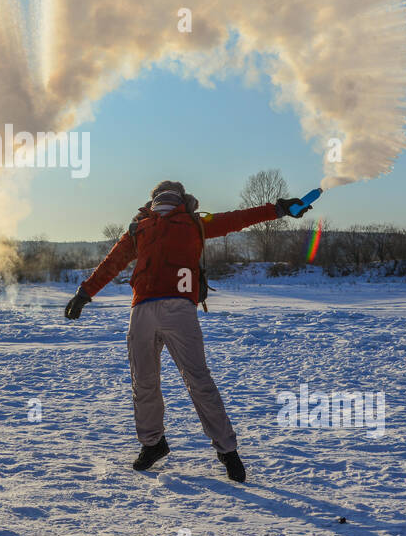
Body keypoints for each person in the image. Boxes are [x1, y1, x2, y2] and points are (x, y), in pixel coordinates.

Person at [63, 180, 313, 482]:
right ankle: (155, 444)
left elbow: (238, 219)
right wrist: (84, 293)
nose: (164, 202)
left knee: (190, 380)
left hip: (174, 308)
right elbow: (113, 262)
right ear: (154, 200)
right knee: (148, 381)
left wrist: (277, 209)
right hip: (143, 307)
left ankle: (226, 450)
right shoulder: (138, 227)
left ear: (179, 199)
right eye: (161, 198)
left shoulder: (196, 222)